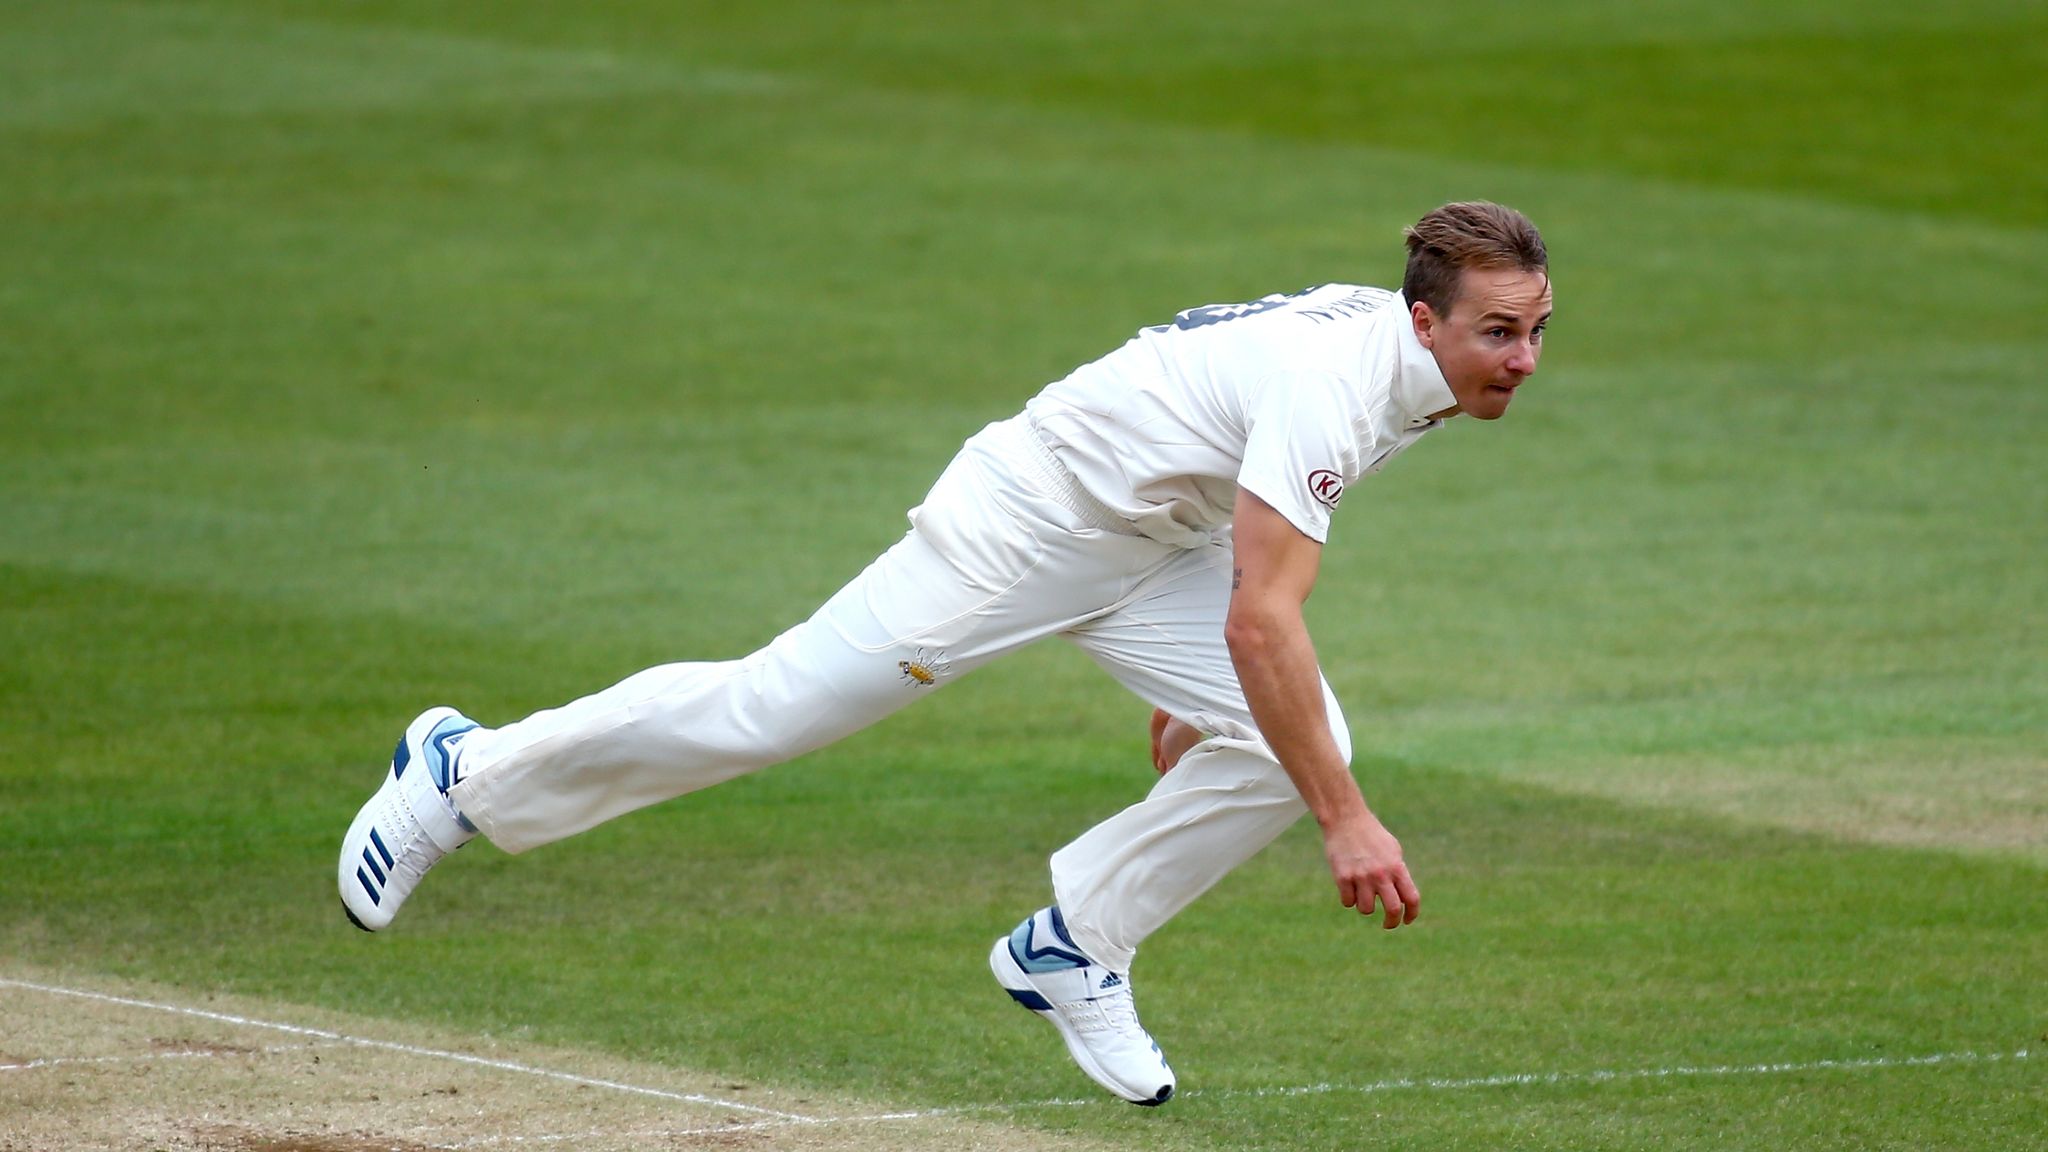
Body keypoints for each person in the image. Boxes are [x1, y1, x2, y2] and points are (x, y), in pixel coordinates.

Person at [339, 201, 1552, 1106]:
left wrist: (1215, 700)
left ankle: (1073, 945)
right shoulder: (1334, 382)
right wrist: (1344, 821)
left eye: (1537, 330)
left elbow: (1249, 559)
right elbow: (1263, 619)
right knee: (776, 711)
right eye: (1497, 332)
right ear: (1421, 317)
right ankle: (462, 774)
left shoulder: (1409, 363)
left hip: (1151, 542)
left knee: (1294, 743)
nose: (1521, 360)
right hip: (1026, 523)